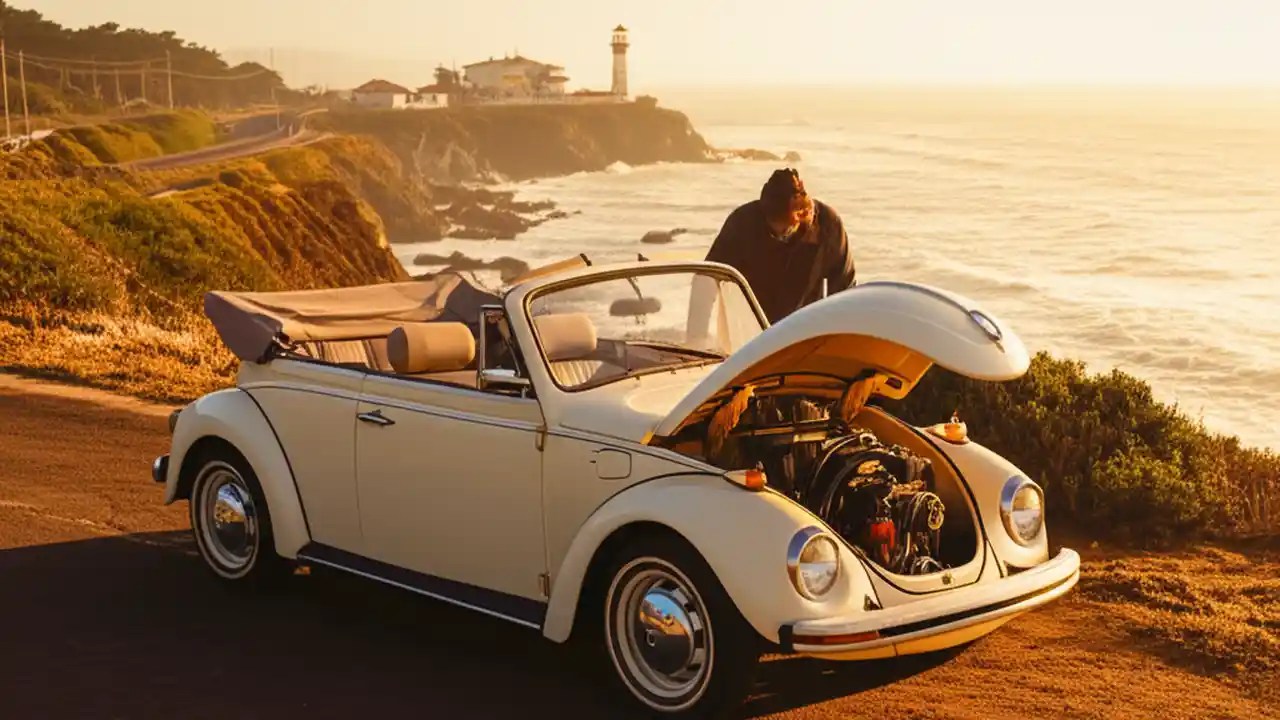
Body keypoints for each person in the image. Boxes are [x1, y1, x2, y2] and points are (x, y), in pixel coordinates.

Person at [704, 168, 856, 324]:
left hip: (802, 327)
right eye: (773, 232)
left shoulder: (827, 226)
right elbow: (706, 280)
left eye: (786, 231)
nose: (779, 236)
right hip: (747, 325)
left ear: (801, 214)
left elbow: (845, 288)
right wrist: (696, 335)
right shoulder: (742, 223)